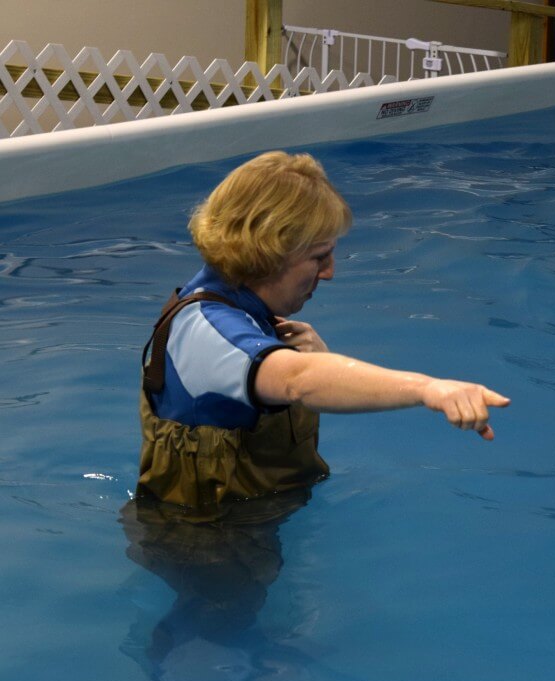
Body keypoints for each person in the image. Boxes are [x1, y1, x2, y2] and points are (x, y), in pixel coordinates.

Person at [137, 151, 509, 511]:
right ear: (267, 252)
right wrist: (428, 389)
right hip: (206, 540)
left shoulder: (236, 303)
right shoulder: (209, 330)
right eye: (319, 257)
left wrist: (318, 360)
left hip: (244, 519)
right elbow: (297, 380)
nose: (330, 272)